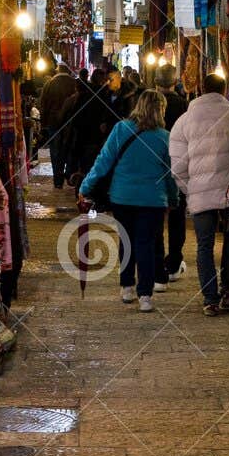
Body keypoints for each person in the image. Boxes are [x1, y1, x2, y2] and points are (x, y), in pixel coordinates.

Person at [80, 86, 177, 312]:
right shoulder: (165, 137)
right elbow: (169, 174)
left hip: (122, 197)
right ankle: (145, 295)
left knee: (126, 241)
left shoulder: (120, 129)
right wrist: (173, 199)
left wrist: (85, 186)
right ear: (160, 110)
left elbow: (103, 161)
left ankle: (127, 287)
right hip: (153, 200)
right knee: (146, 244)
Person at [170, 71, 229, 315]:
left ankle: (209, 299)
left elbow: (177, 168)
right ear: (224, 89)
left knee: (204, 245)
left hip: (200, 194)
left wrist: (191, 190)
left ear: (201, 88)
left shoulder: (183, 121)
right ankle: (228, 292)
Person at [155, 63, 190, 284]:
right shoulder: (184, 105)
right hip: (178, 166)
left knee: (156, 217)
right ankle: (174, 263)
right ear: (175, 82)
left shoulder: (149, 104)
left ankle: (158, 268)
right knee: (177, 216)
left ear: (156, 82)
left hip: (155, 167)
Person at [39, 60, 79, 188]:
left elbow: (43, 105)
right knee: (69, 148)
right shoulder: (74, 83)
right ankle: (68, 174)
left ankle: (58, 179)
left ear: (58, 70)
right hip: (70, 122)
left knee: (55, 150)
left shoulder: (49, 84)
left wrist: (43, 123)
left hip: (53, 122)